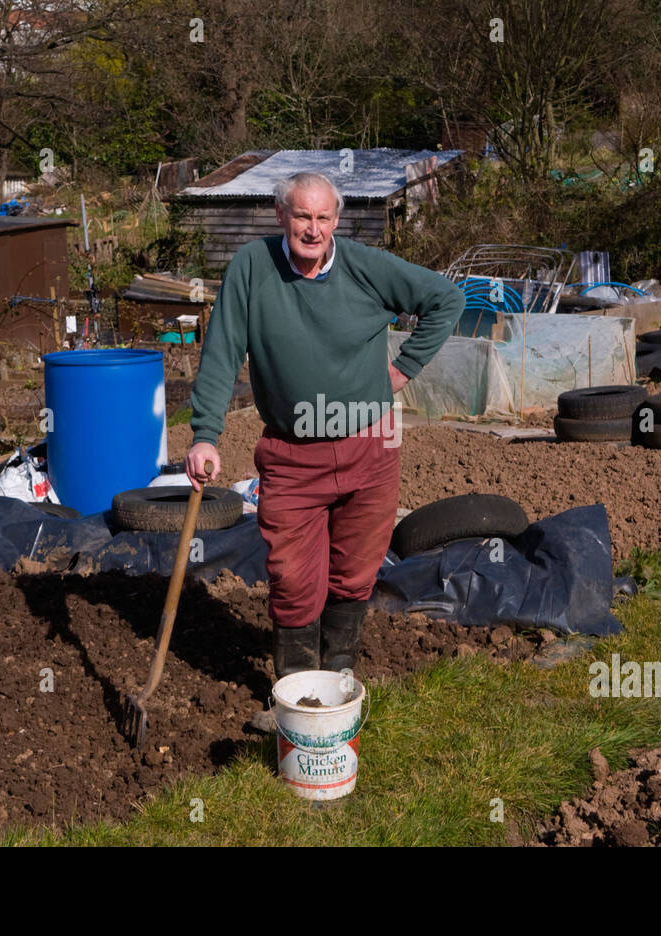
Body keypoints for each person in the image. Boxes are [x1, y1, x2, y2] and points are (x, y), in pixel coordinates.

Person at [185, 171, 463, 683]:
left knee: (356, 571)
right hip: (292, 454)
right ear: (281, 216)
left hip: (369, 448)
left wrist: (403, 369)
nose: (312, 229)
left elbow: (445, 299)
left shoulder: (366, 267)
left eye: (322, 218)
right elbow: (221, 353)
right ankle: (297, 688)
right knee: (291, 577)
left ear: (336, 220)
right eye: (301, 216)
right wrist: (205, 434)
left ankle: (336, 680)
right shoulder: (251, 268)